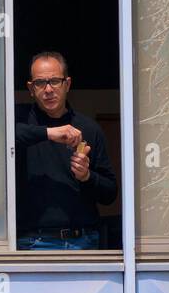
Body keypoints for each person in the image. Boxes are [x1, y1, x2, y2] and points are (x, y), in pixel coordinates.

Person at [16, 51, 118, 250]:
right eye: (40, 83)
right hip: (34, 241)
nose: (48, 89)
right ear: (30, 88)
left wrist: (87, 176)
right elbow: (0, 135)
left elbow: (110, 193)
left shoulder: (88, 128)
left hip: (84, 240)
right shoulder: (19, 120)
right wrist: (49, 133)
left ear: (67, 84)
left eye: (54, 81)